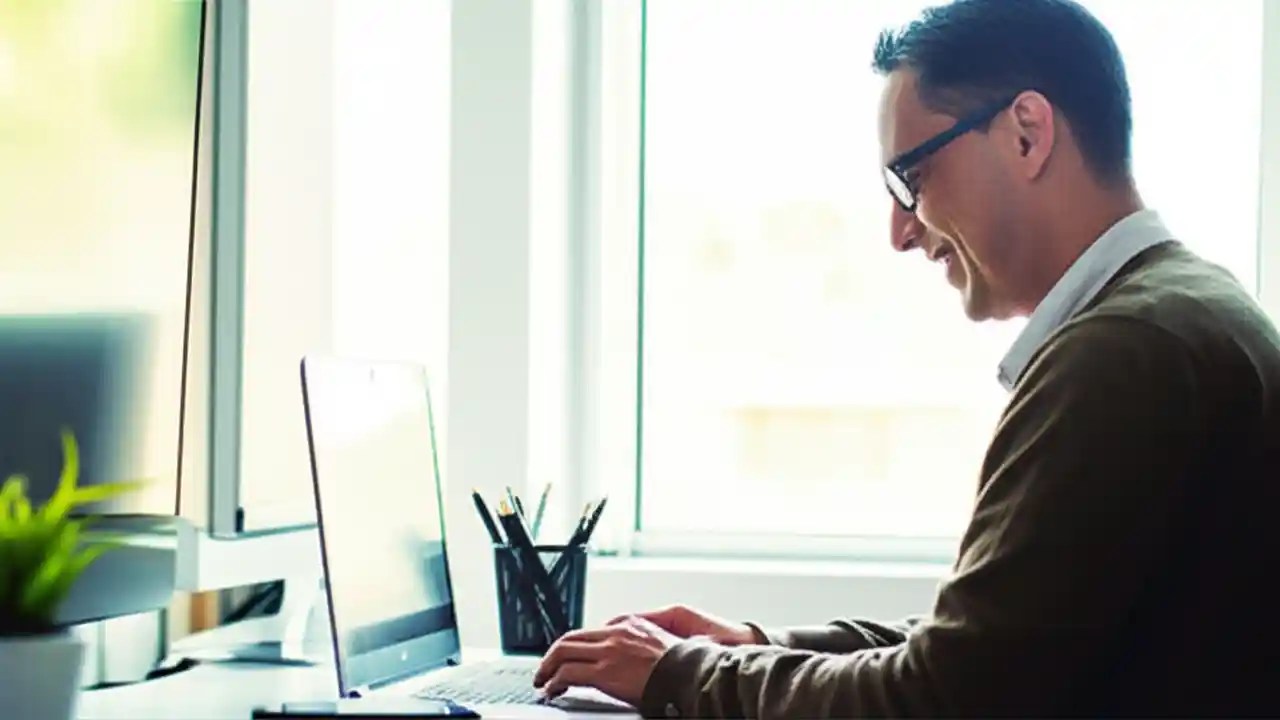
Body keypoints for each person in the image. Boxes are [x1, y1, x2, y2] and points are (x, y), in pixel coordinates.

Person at [533, 0, 1280, 716]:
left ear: (1026, 133)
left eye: (912, 178)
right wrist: (756, 647)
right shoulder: (1190, 311)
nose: (900, 230)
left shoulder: (1121, 354)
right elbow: (998, 649)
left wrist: (679, 676)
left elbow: (943, 699)